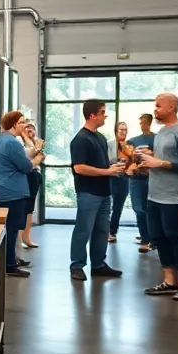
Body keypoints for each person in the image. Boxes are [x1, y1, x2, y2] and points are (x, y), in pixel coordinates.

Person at [137, 94, 178, 301]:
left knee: (175, 236)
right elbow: (162, 160)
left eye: (158, 106)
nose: (155, 110)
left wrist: (159, 163)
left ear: (172, 107)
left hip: (173, 196)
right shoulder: (162, 132)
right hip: (155, 194)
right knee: (158, 237)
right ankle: (169, 281)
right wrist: (149, 159)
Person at [69, 100, 126, 281]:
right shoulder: (80, 139)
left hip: (103, 192)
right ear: (92, 115)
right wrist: (107, 171)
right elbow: (79, 168)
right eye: (102, 112)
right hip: (88, 193)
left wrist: (115, 167)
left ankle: (98, 264)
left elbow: (101, 163)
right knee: (83, 230)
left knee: (102, 230)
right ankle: (77, 265)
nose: (105, 116)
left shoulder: (100, 138)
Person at [0, 111, 42, 278]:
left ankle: (9, 261)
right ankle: (10, 265)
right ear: (13, 125)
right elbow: (26, 167)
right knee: (12, 230)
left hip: (1, 190)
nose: (24, 125)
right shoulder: (13, 143)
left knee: (8, 230)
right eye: (21, 122)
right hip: (13, 192)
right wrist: (38, 159)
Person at [128, 113, 155, 252]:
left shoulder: (156, 138)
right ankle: (146, 238)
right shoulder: (133, 140)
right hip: (136, 179)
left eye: (145, 122)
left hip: (152, 178)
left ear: (150, 122)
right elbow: (127, 158)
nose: (143, 125)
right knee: (139, 209)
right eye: (141, 123)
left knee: (150, 209)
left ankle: (151, 239)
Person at [18, 119, 44, 249]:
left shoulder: (36, 143)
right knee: (23, 208)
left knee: (30, 209)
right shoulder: (19, 143)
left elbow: (42, 157)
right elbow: (27, 156)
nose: (30, 130)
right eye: (26, 128)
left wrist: (38, 154)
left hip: (35, 175)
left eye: (32, 128)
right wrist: (37, 154)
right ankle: (20, 238)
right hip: (26, 176)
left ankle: (27, 237)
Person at [107, 121, 133, 243]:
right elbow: (106, 160)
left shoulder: (130, 145)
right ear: (116, 131)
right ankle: (104, 230)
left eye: (125, 129)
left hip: (124, 178)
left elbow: (134, 161)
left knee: (118, 207)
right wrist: (115, 163)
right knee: (107, 205)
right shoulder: (110, 144)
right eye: (120, 129)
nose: (123, 132)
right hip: (112, 176)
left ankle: (112, 231)